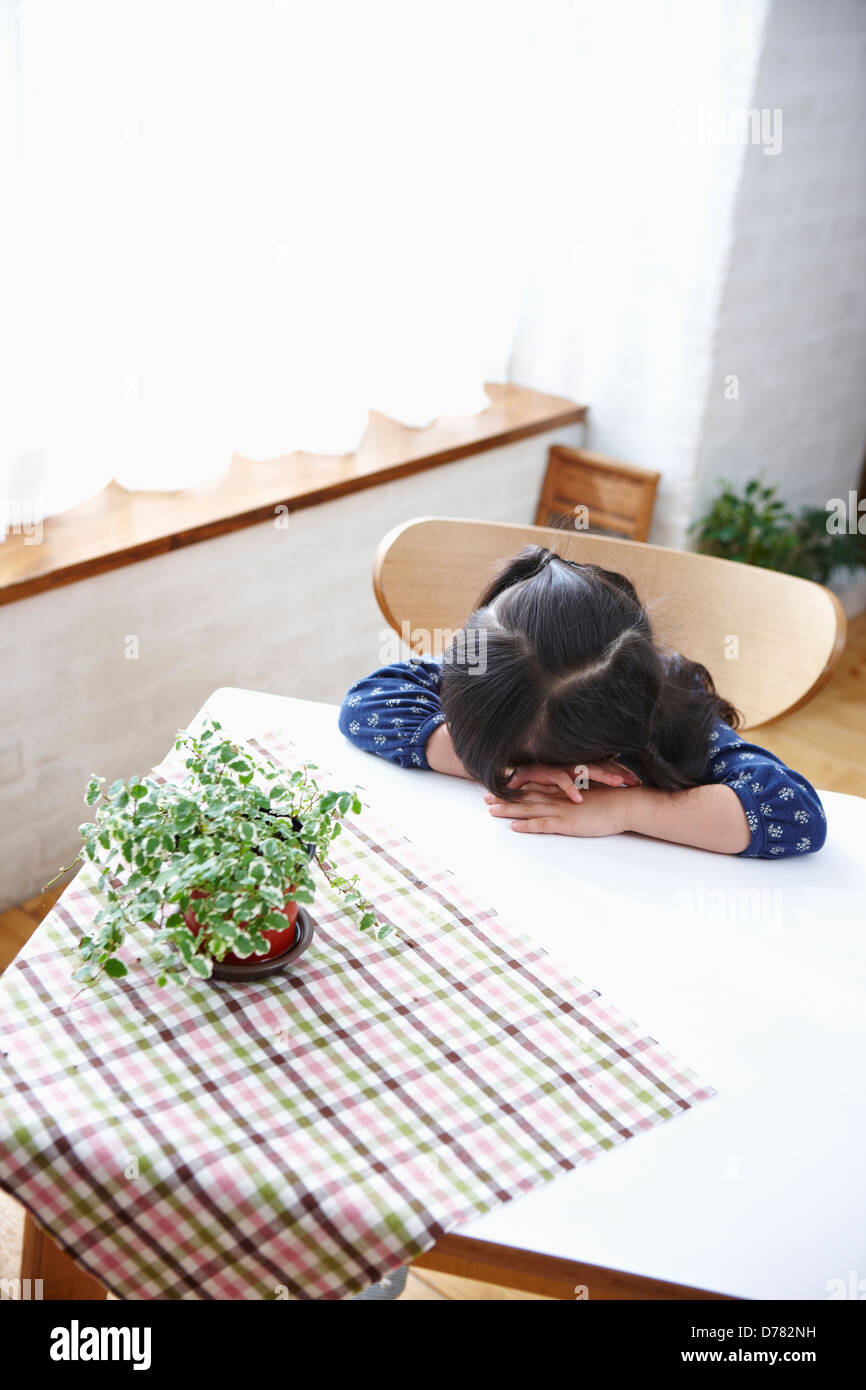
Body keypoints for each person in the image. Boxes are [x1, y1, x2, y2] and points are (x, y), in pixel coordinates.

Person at [339, 547, 826, 858]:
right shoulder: (494, 663)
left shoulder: (667, 708)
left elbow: (795, 815)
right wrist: (497, 769)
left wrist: (625, 810)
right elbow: (364, 705)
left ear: (615, 737)